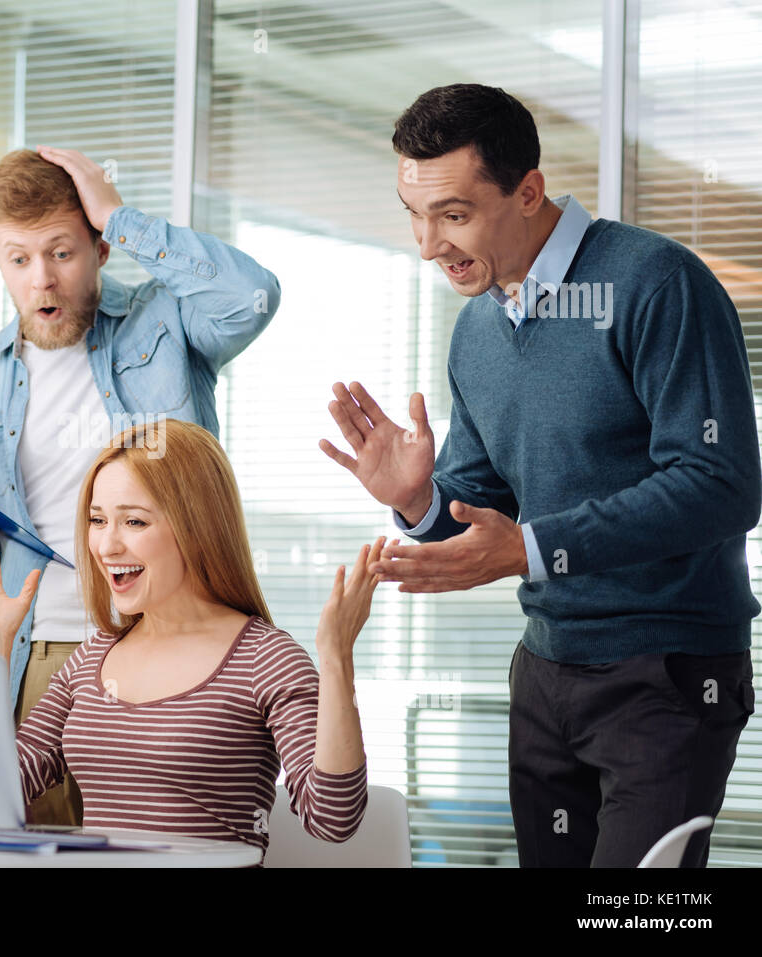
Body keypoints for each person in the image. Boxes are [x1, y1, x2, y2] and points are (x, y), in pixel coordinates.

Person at [319, 83, 759, 867]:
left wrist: (532, 548)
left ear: (528, 191)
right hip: (546, 672)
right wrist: (419, 500)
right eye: (414, 215)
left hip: (667, 671)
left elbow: (720, 480)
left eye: (453, 214)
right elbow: (482, 515)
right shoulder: (480, 328)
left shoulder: (655, 281)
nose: (427, 245)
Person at [0, 146, 281, 825]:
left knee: (164, 843)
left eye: (61, 253)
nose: (41, 280)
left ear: (99, 248)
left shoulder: (162, 324)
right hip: (39, 656)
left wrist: (120, 215)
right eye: (18, 259)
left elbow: (252, 296)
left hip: (171, 639)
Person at [0, 419, 375, 857]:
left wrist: (336, 660)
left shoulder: (266, 658)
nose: (106, 546)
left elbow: (332, 819)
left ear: (197, 527)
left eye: (134, 522)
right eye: (97, 520)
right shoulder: (91, 660)